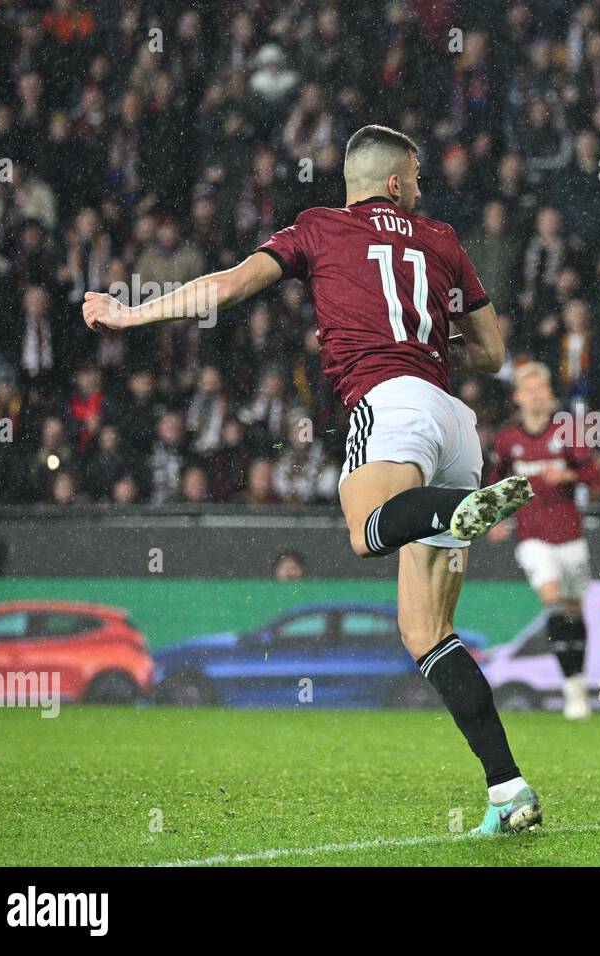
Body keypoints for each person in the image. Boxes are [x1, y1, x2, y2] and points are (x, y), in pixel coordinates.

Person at [82, 125, 542, 836]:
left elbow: (229, 288)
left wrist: (130, 314)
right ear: (394, 183)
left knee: (365, 529)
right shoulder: (443, 239)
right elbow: (491, 351)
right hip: (455, 419)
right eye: (415, 177)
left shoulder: (318, 228)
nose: (420, 188)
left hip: (389, 405)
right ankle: (508, 789)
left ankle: (456, 508)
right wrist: (424, 340)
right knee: (426, 632)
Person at [487, 361, 600, 720]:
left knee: (573, 611)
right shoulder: (508, 439)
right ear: (518, 397)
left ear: (550, 394)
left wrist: (569, 473)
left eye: (541, 388)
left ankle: (577, 684)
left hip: (570, 535)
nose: (536, 395)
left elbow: (596, 479)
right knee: (552, 600)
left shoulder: (567, 432)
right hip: (532, 536)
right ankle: (571, 690)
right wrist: (495, 518)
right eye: (529, 389)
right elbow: (495, 482)